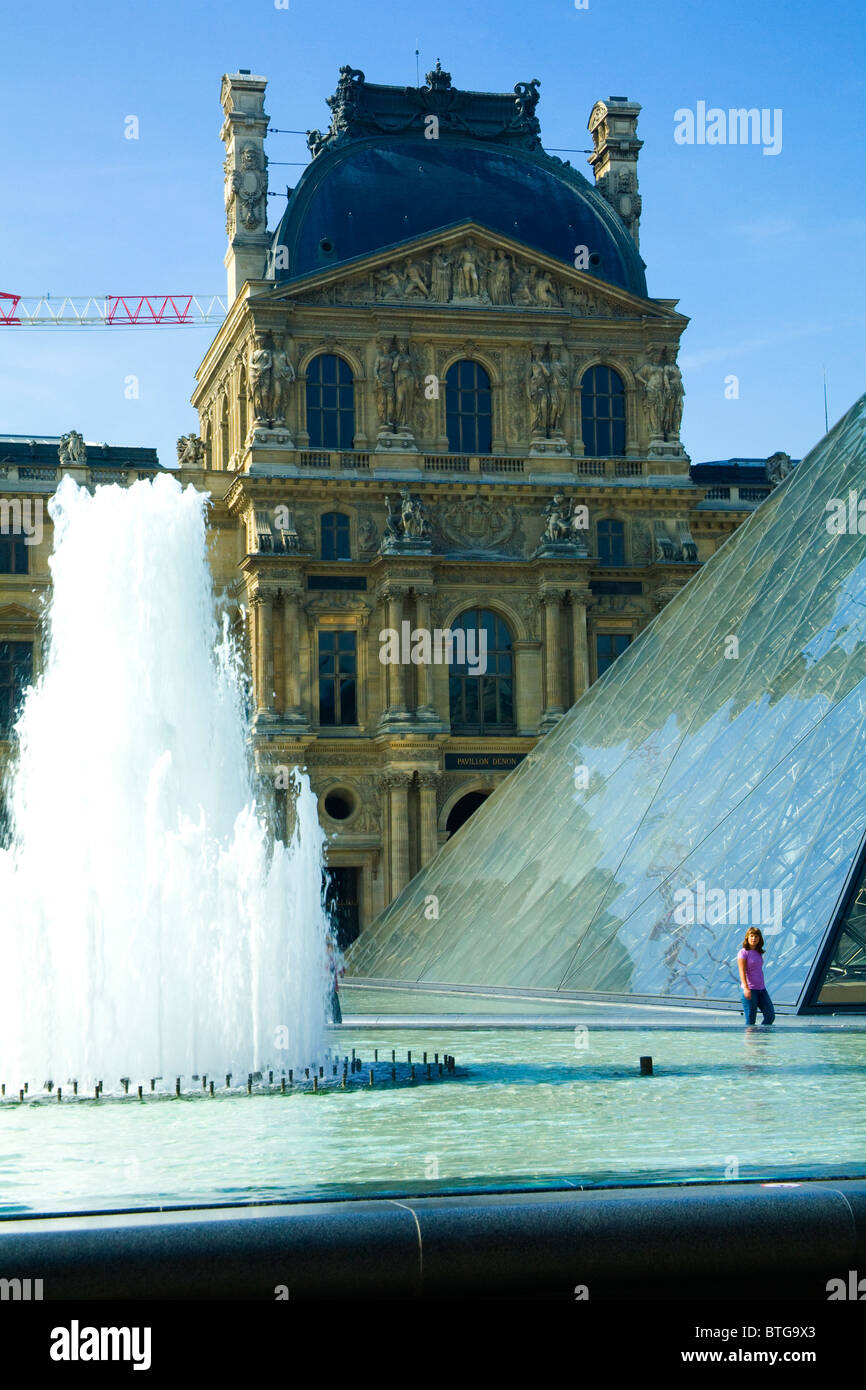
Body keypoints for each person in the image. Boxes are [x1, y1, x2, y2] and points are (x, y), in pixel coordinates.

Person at [737, 927, 775, 1026]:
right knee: (751, 1021)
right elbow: (742, 971)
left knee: (770, 1016)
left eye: (756, 936)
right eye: (752, 936)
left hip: (762, 989)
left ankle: (761, 1038)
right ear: (747, 938)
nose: (754, 938)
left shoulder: (759, 952)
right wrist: (746, 988)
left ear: (759, 939)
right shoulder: (743, 952)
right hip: (750, 989)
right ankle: (750, 1040)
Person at [326, 936, 344, 1025]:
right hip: (325, 989)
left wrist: (341, 971)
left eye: (332, 947)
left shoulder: (332, 959)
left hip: (331, 989)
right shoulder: (322, 959)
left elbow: (340, 971)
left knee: (334, 1007)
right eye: (330, 947)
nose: (331, 949)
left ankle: (337, 1022)